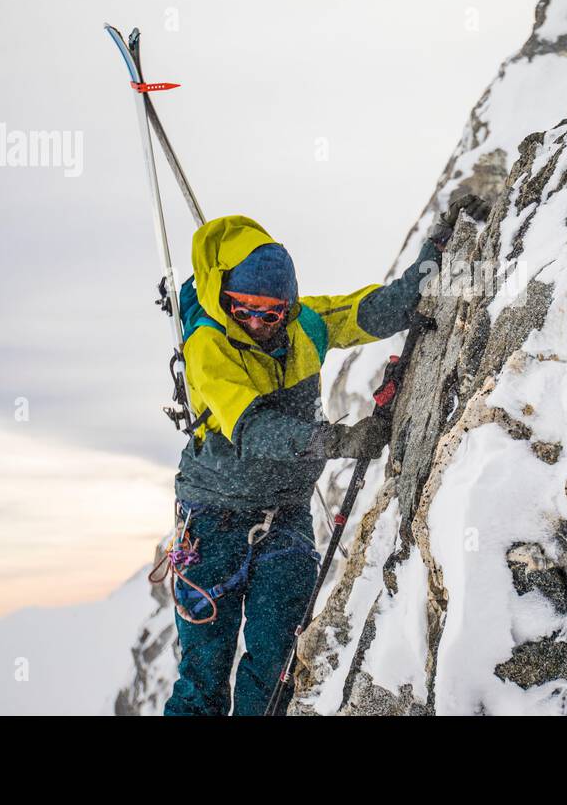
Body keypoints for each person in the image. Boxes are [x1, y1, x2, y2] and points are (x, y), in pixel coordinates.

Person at [162, 197, 485, 716]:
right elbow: (253, 430)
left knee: (274, 668)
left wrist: (436, 247)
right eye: (242, 309)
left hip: (284, 517)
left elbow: (383, 308)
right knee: (203, 679)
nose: (256, 323)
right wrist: (335, 442)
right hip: (214, 524)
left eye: (270, 312)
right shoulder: (207, 346)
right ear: (222, 297)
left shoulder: (306, 325)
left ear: (288, 307)